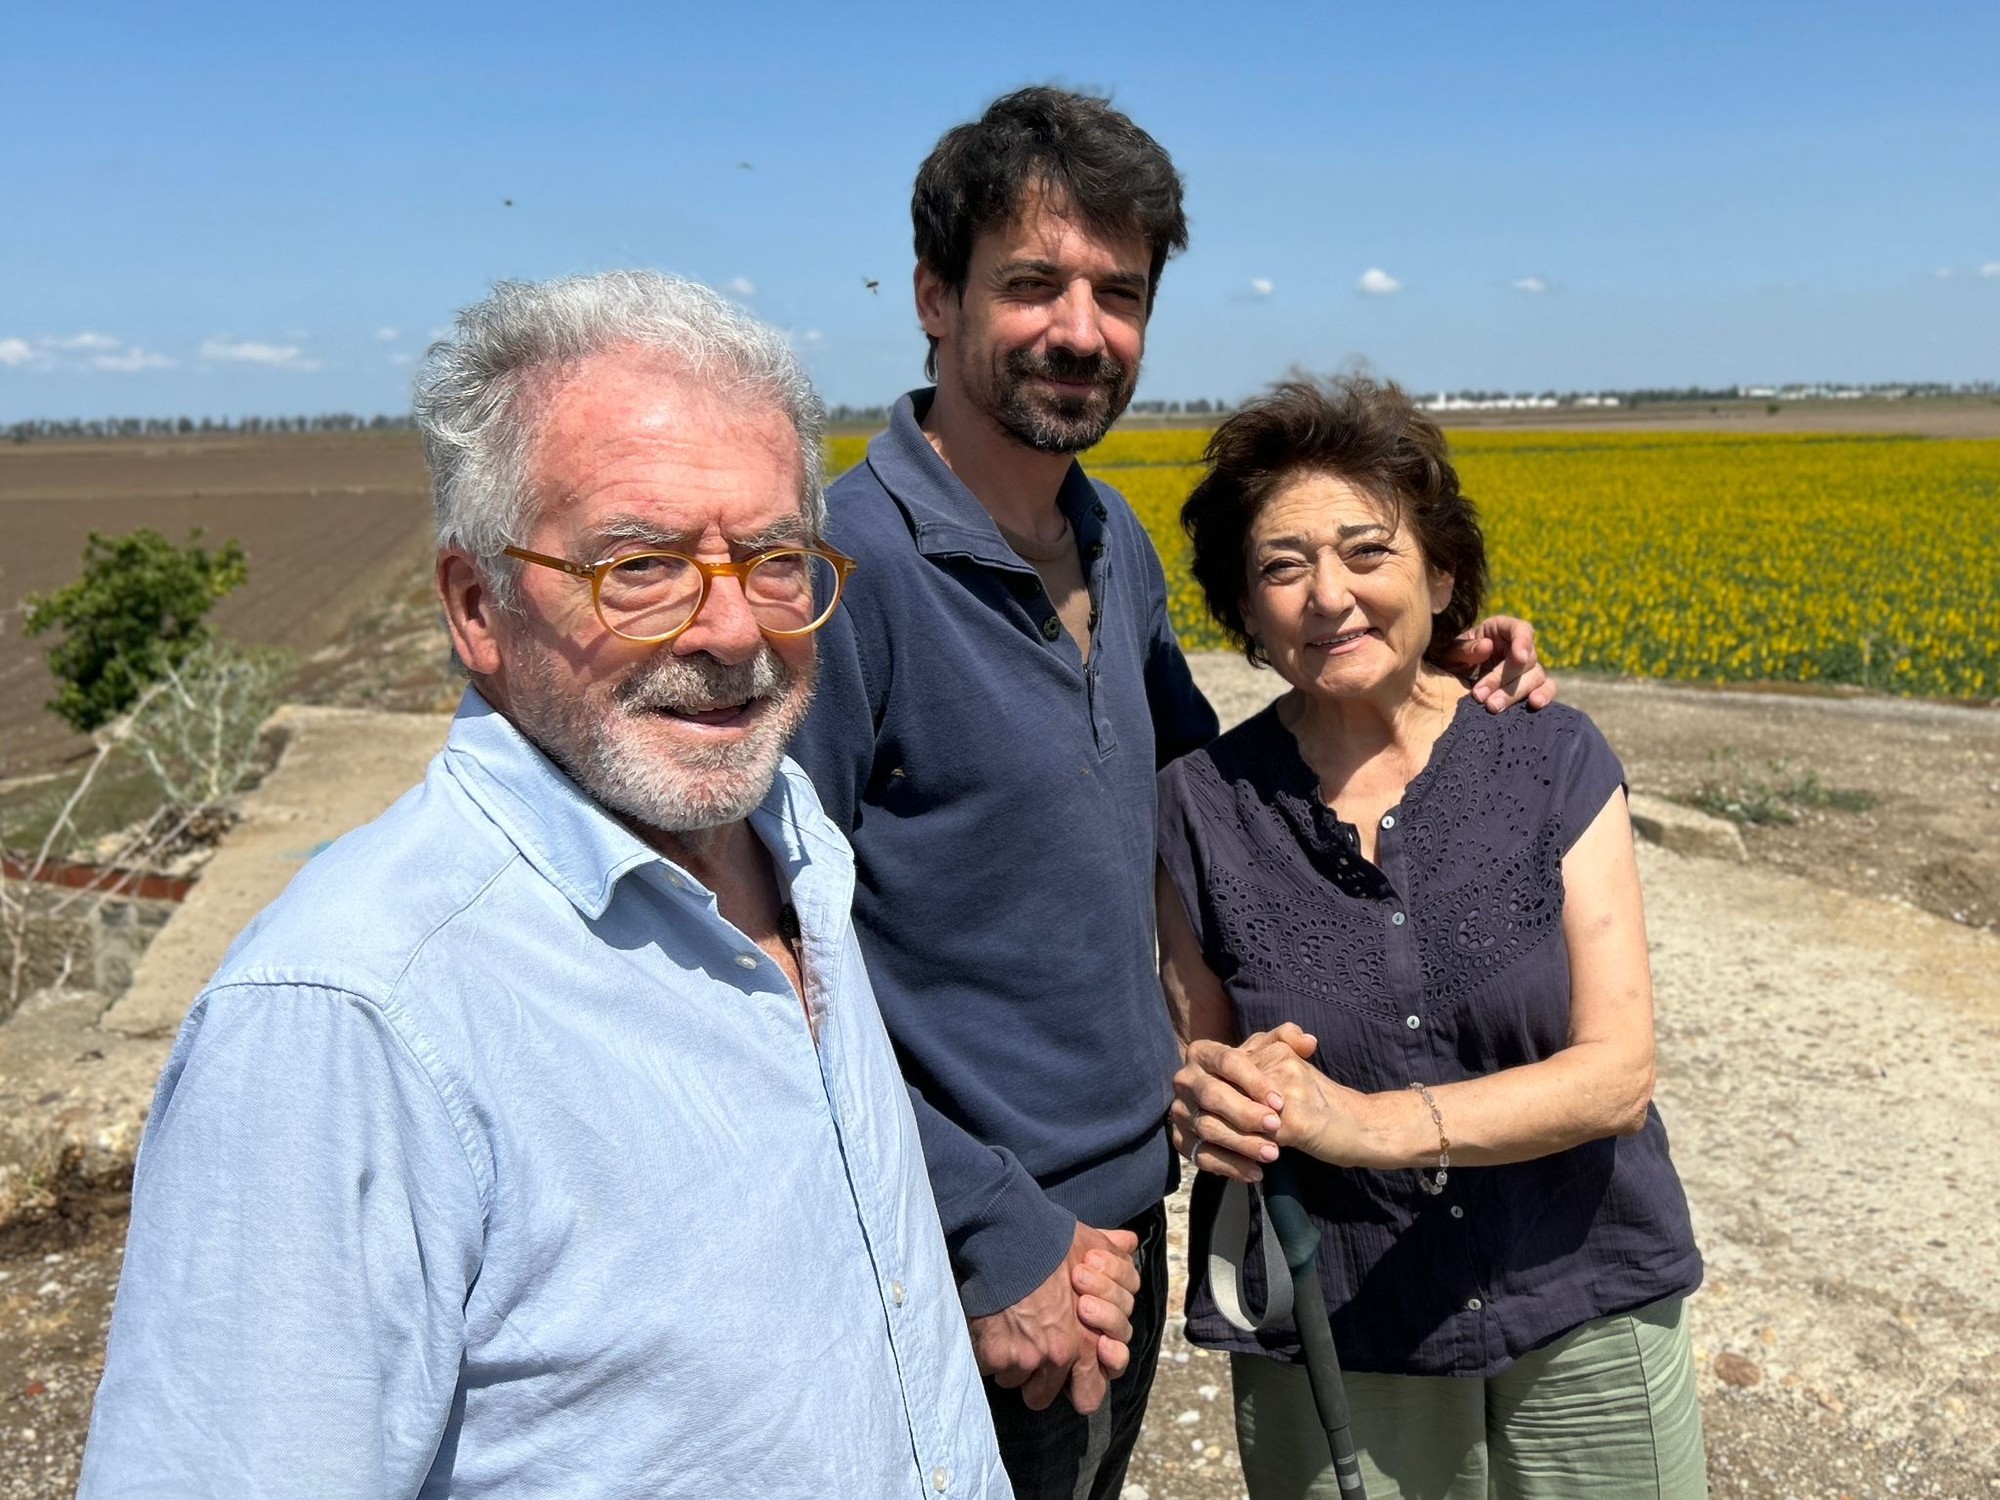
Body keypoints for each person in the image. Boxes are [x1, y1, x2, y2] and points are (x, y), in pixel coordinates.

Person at [76, 271, 1025, 1498]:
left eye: (775, 559)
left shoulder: (798, 842)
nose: (733, 631)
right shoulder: (351, 1019)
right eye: (639, 566)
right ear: (479, 606)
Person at [789, 86, 1555, 1499]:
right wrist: (987, 1234)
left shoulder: (1108, 537)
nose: (1082, 330)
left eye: (1119, 292)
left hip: (1120, 1218)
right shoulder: (848, 574)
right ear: (932, 297)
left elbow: (1219, 790)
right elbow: (763, 959)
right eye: (1033, 283)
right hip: (952, 1257)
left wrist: (1417, 665)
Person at [1156, 377, 1707, 1499]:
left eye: (1367, 551)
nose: (1327, 595)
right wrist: (1208, 1101)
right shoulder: (1197, 809)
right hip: (1341, 1324)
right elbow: (1197, 1067)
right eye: (1280, 566)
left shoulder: (1550, 759)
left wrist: (1360, 1125)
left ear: (1440, 578)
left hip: (1584, 1298)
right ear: (1244, 612)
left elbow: (1617, 1077)